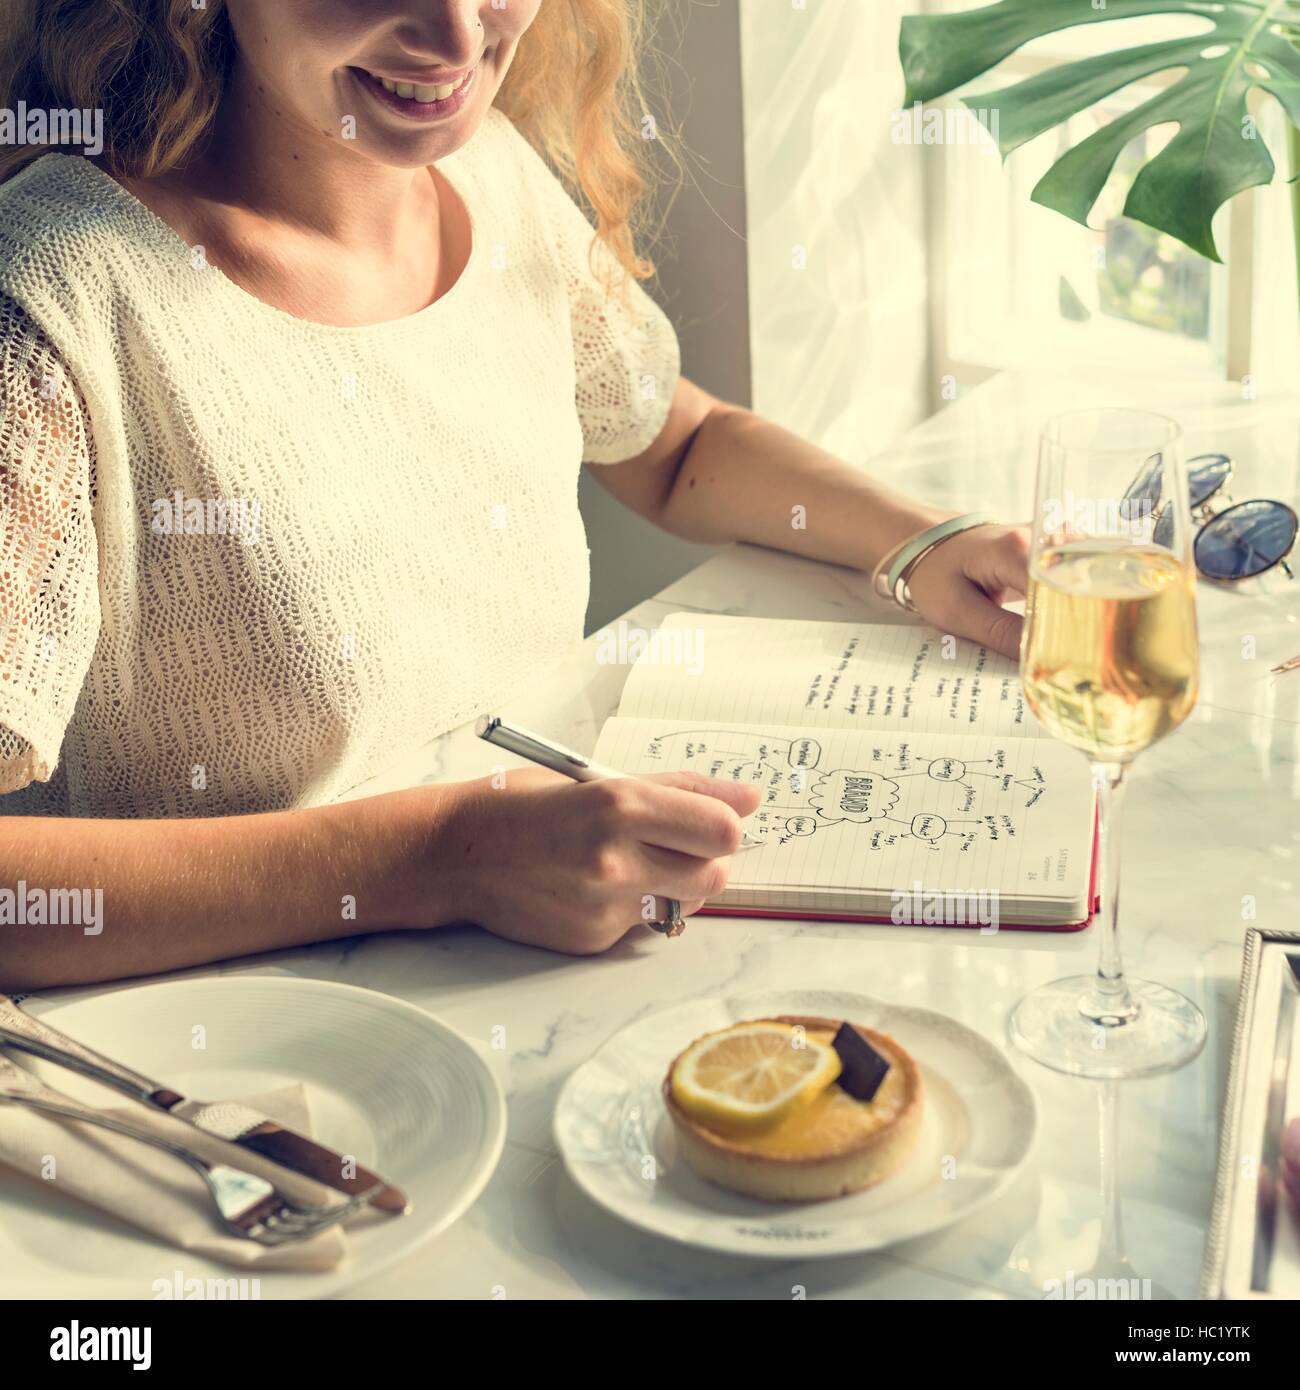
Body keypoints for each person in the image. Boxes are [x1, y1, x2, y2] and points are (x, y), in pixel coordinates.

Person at [0, 1, 1028, 989]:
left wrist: (920, 544)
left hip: (546, 983)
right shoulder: (51, 303)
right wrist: (444, 855)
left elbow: (675, 443)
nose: (455, 33)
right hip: (251, 1079)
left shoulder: (488, 176)